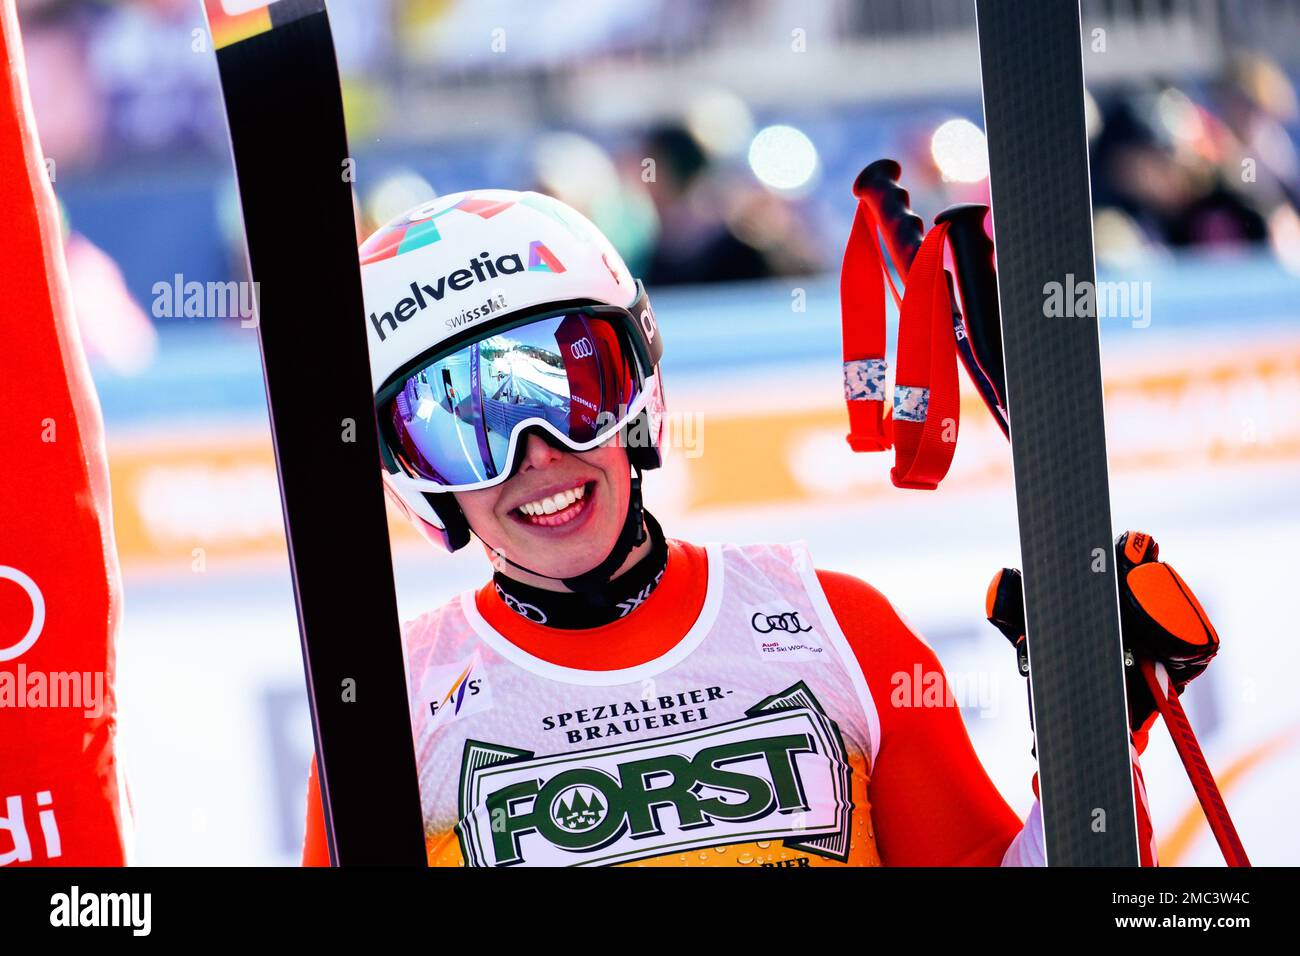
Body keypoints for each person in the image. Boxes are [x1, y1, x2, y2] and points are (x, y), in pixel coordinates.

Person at [301, 189, 1183, 867]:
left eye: (573, 391)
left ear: (639, 393)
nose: (538, 454)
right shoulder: (390, 705)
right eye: (467, 431)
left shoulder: (839, 627)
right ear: (414, 477)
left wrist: (1098, 739)